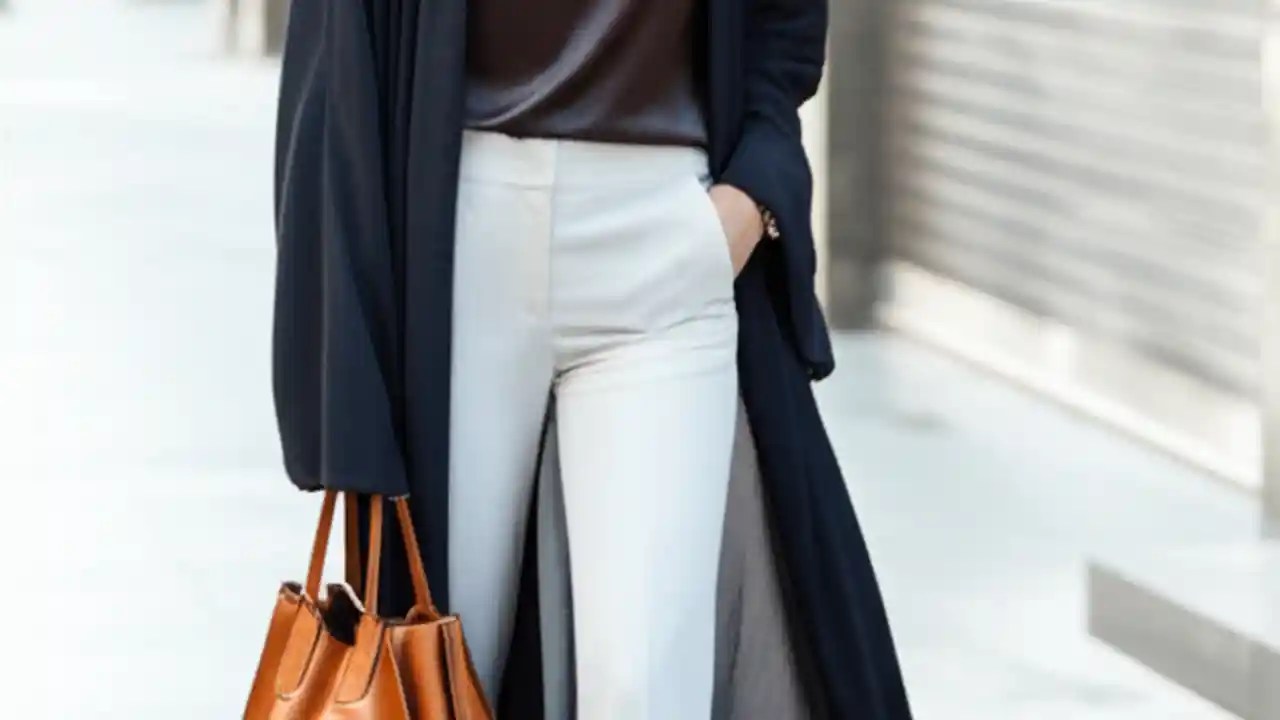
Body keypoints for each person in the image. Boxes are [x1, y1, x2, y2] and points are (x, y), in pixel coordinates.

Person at [271, 0, 913, 718]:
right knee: (439, 665)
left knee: (647, 686)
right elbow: (336, 44)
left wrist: (752, 194)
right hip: (454, 235)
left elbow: (784, 24)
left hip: (664, 244)